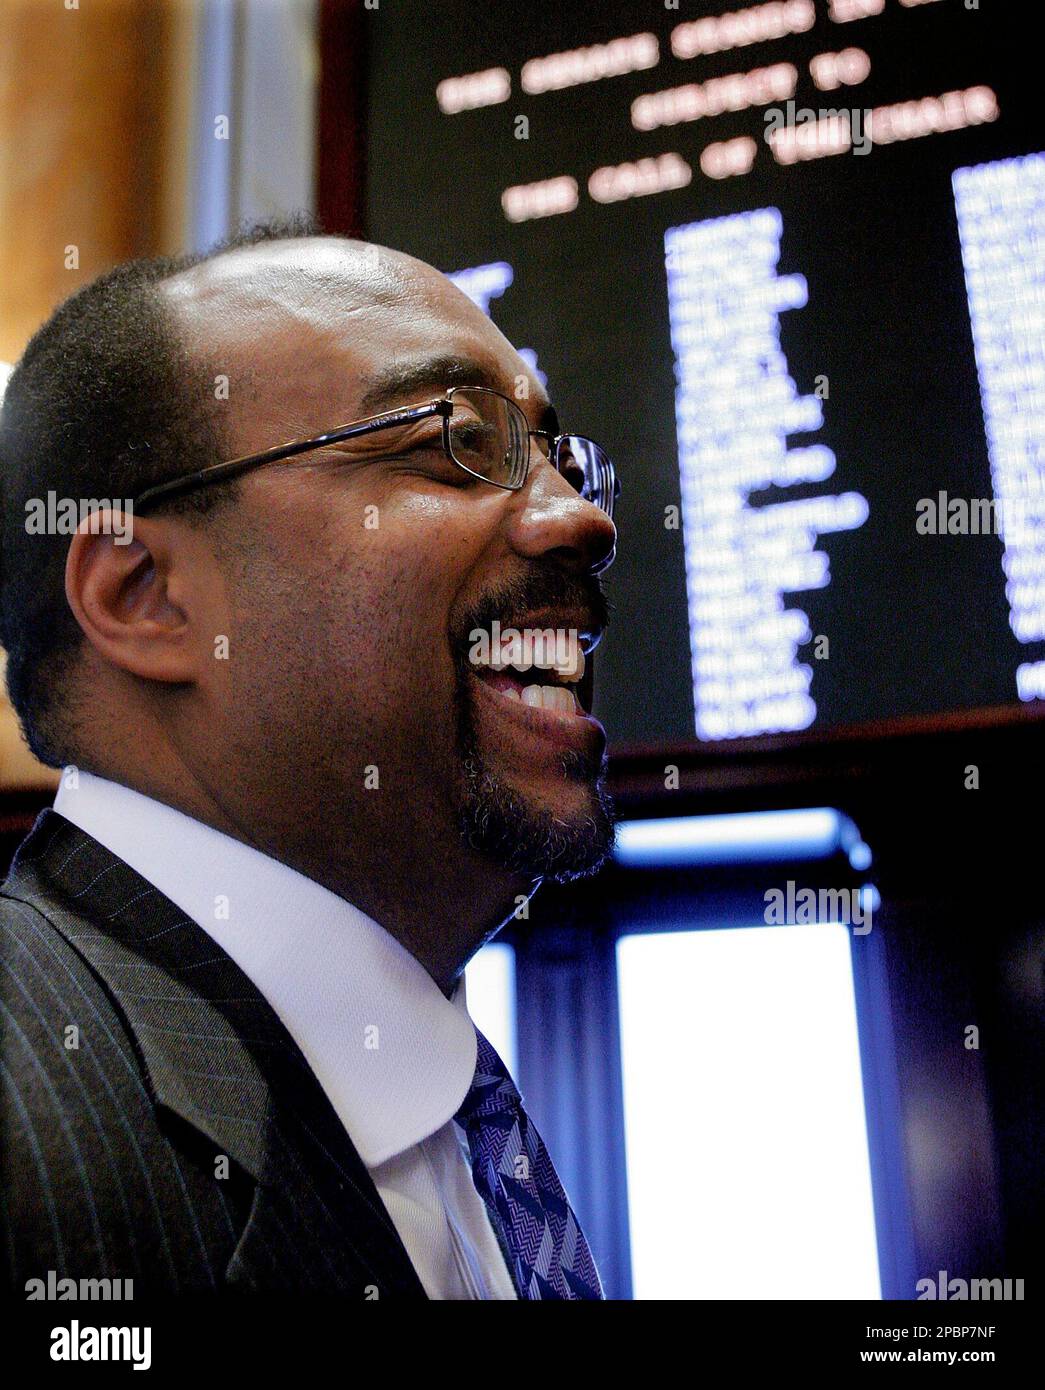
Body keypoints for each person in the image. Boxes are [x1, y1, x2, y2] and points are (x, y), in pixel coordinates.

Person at [0, 216, 619, 1299]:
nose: (582, 519)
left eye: (562, 459)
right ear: (144, 595)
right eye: (459, 440)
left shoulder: (458, 1127)